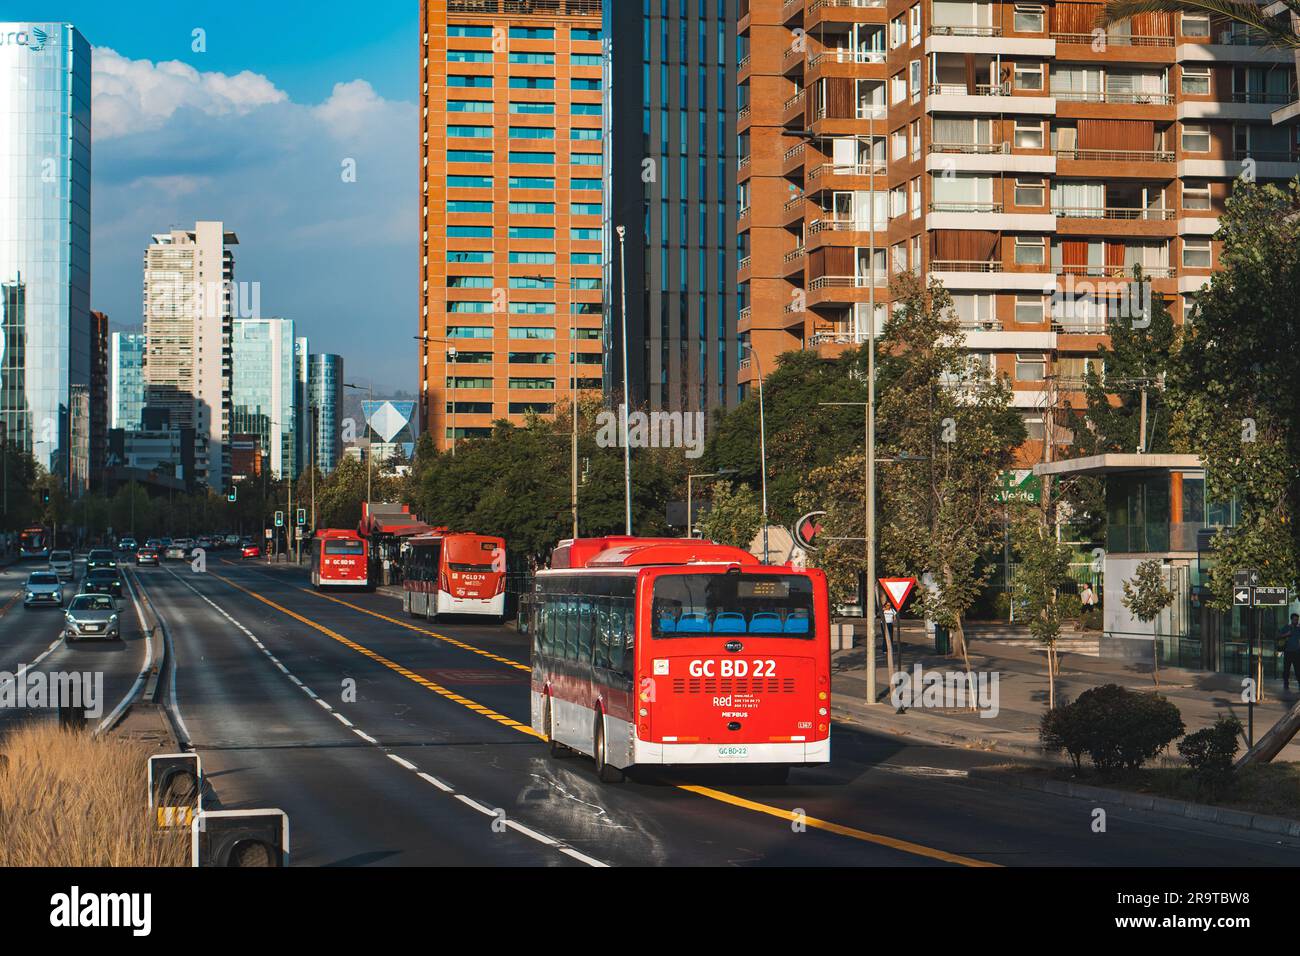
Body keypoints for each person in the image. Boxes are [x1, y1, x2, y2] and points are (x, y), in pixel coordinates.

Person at [1280, 613, 1300, 693]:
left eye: (1297, 620)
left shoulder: (1298, 628)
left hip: (1297, 652)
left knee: (1298, 670)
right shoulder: (1286, 627)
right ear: (1291, 619)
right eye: (1295, 619)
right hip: (1288, 652)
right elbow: (1278, 636)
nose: (1296, 621)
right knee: (1286, 670)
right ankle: (1286, 685)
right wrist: (1286, 634)